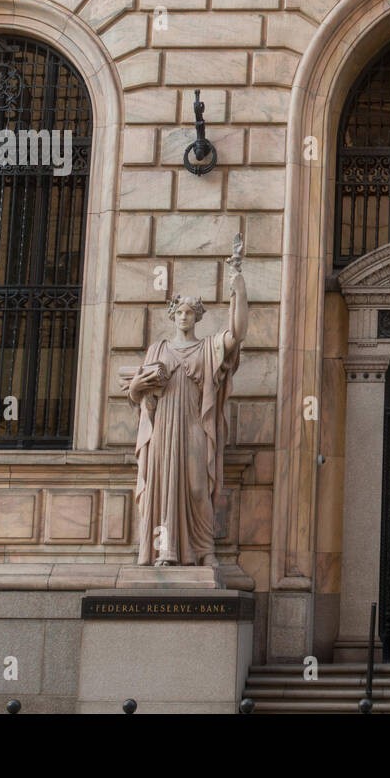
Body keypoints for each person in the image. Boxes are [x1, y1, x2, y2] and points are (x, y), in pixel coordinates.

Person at [124, 237, 248, 566]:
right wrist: (137, 385)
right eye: (179, 311)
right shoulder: (158, 350)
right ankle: (166, 551)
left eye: (190, 312)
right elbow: (136, 397)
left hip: (194, 426)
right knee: (162, 490)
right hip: (163, 428)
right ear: (172, 315)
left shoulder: (208, 348)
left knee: (197, 487)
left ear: (198, 317)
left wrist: (237, 285)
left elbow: (236, 334)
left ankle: (204, 549)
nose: (184, 317)